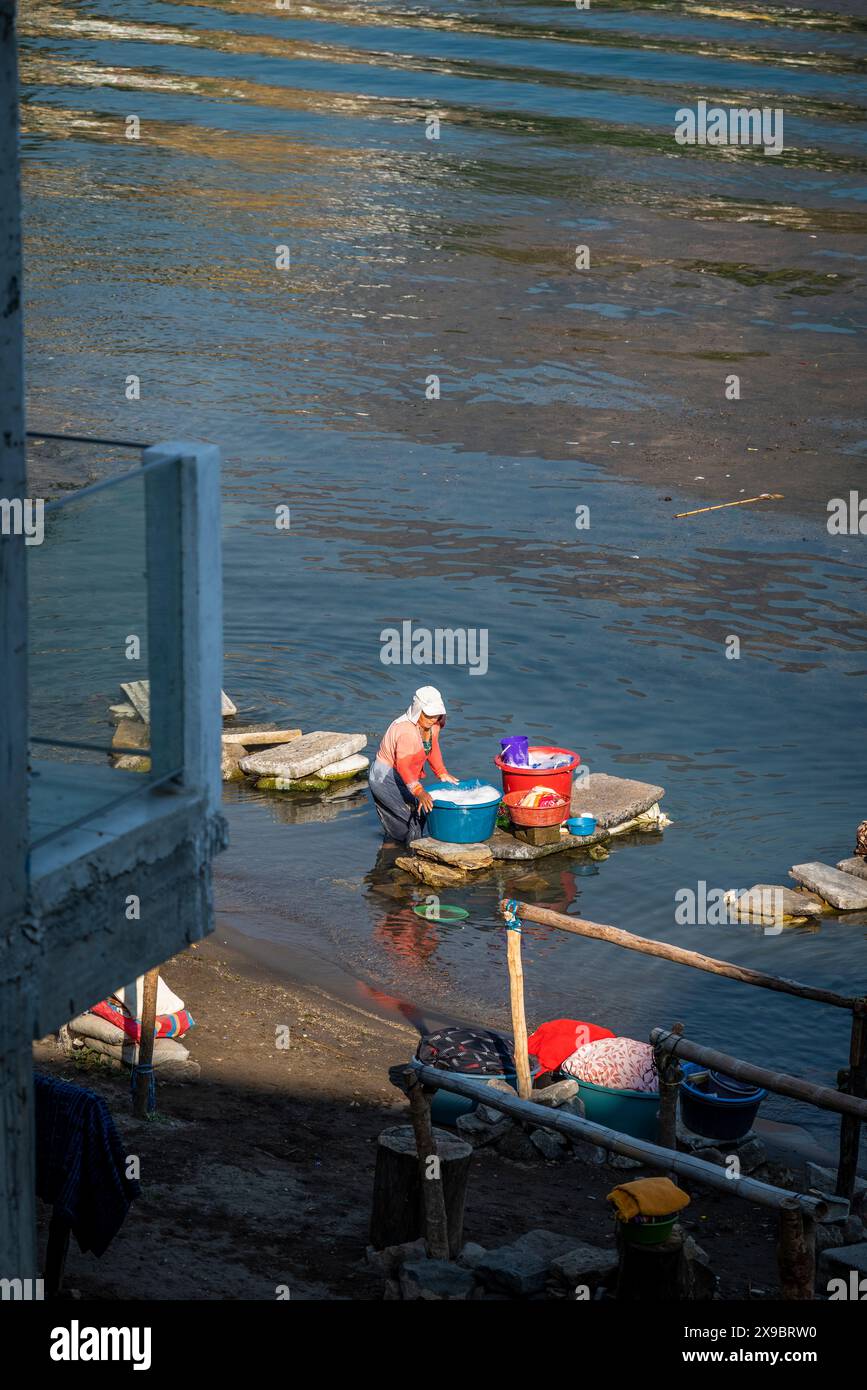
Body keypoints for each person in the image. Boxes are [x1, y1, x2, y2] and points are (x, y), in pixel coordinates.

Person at [369, 686, 459, 844]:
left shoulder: (435, 724)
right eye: (429, 715)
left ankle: (393, 849)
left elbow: (432, 746)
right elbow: (404, 767)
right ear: (418, 710)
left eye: (436, 714)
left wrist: (441, 771)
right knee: (413, 817)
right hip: (384, 777)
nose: (433, 719)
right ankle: (412, 854)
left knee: (405, 822)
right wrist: (419, 791)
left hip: (403, 775)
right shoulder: (406, 732)